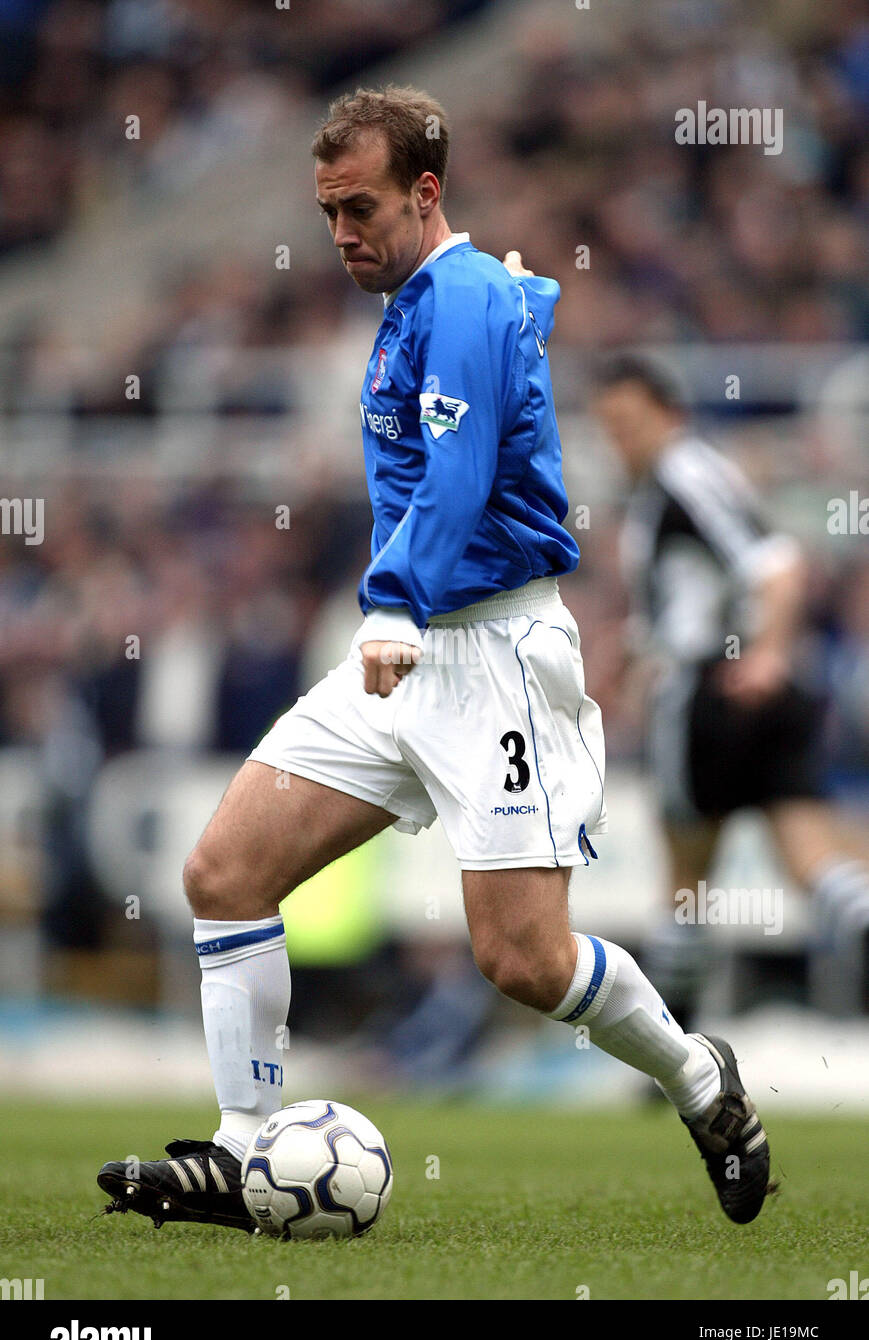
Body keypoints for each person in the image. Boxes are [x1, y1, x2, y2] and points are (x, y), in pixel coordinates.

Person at [98, 88, 770, 1231]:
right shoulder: (414, 301)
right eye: (324, 214)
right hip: (402, 658)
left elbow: (456, 482)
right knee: (223, 876)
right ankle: (240, 1148)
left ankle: (699, 1082)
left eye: (359, 207)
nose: (341, 232)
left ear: (424, 190)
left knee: (521, 959)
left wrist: (395, 605)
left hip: (490, 653)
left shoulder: (459, 294)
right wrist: (396, 619)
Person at [593, 354, 869, 1026]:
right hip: (757, 693)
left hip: (706, 693)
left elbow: (775, 564)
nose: (620, 442)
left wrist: (768, 652)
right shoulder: (672, 488)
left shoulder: (684, 474)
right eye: (611, 428)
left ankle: (671, 1051)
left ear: (670, 415)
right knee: (812, 860)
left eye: (630, 424)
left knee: (684, 882)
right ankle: (860, 922)